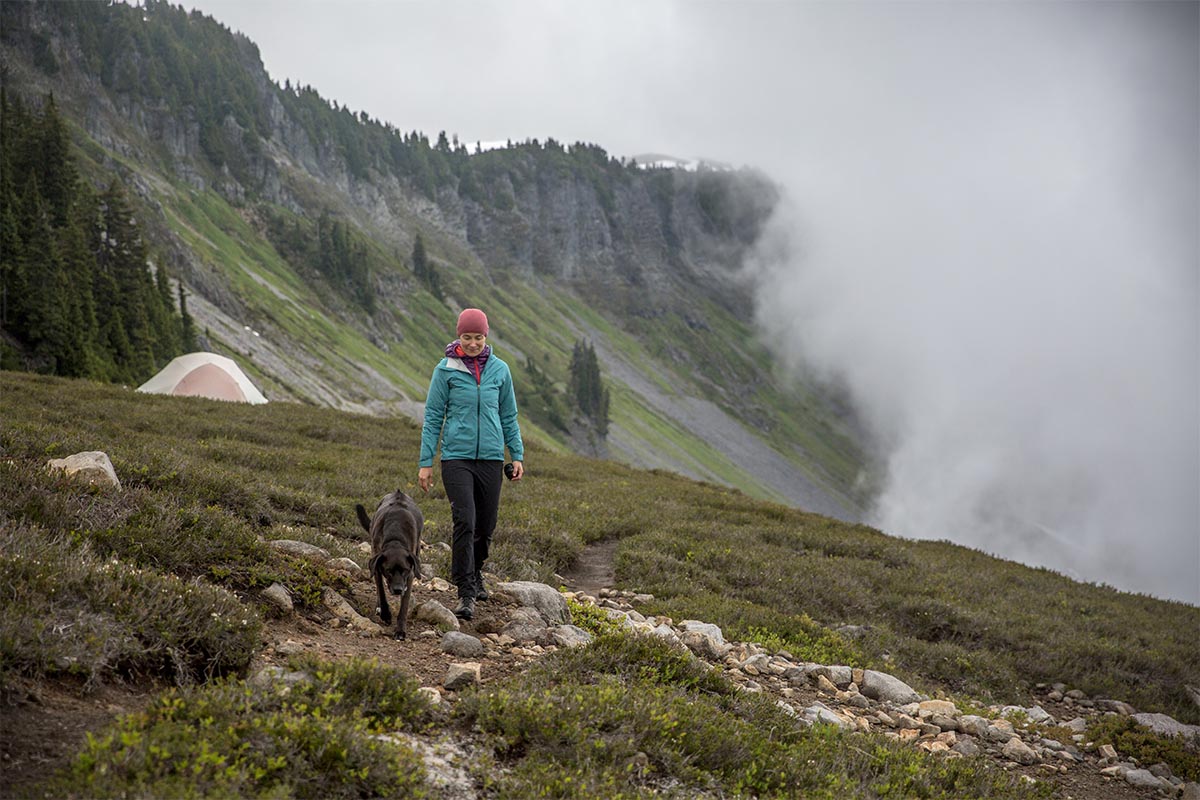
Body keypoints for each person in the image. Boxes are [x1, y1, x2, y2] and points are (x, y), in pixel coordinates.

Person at [418, 308, 524, 621]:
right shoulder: (445, 370)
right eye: (467, 337)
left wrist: (515, 454)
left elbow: (509, 416)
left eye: (478, 337)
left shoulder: (500, 370)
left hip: (491, 458)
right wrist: (426, 462)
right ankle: (464, 591)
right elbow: (434, 416)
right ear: (458, 336)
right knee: (465, 519)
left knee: (486, 525)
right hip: (456, 458)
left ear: (486, 336)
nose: (473, 343)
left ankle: (476, 573)